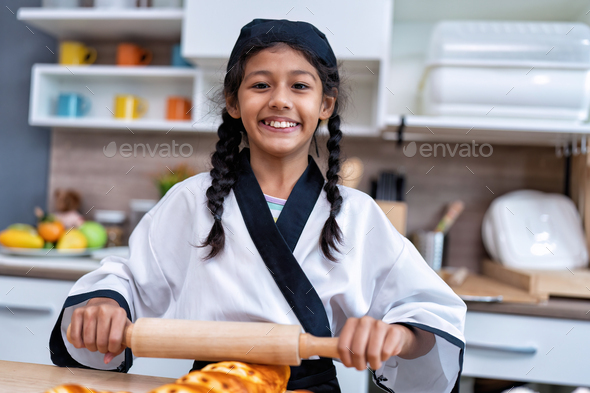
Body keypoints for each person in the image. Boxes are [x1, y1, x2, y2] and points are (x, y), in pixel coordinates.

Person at [49, 18, 467, 393]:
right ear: (233, 102)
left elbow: (430, 311)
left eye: (300, 86)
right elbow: (129, 279)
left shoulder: (357, 215)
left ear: (325, 105)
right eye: (261, 84)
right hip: (213, 386)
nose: (280, 100)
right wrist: (105, 304)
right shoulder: (192, 200)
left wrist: (396, 335)